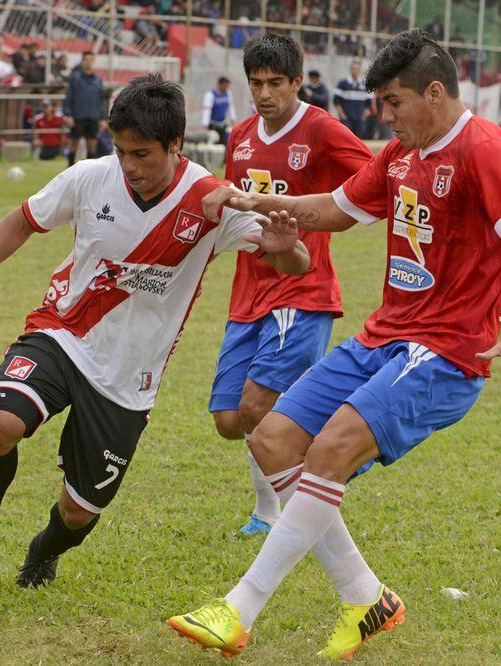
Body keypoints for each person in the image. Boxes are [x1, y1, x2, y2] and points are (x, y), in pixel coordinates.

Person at [169, 29, 501, 659]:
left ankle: (238, 609)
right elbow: (335, 209)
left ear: (435, 92)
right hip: (386, 335)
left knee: (331, 447)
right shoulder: (401, 154)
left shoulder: (485, 149)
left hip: (448, 353)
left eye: (394, 101)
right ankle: (367, 598)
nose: (385, 114)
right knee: (271, 438)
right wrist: (259, 204)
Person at [0, 73, 309, 589]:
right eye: (121, 151)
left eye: (142, 154)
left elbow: (294, 262)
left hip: (128, 376)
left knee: (77, 513)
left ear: (175, 144)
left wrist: (286, 243)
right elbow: (25, 219)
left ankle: (44, 552)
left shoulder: (209, 199)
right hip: (62, 332)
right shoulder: (91, 177)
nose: (129, 166)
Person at [210, 33, 373, 537]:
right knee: (230, 419)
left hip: (304, 288)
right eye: (256, 83)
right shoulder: (239, 136)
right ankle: (333, 430)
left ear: (297, 82)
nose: (265, 93)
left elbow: (373, 179)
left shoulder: (322, 129)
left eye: (276, 83)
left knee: (259, 406)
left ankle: (272, 516)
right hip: (248, 289)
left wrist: (311, 215)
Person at [62, 51, 105, 166]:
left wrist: (102, 118)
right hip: (78, 116)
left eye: (91, 60)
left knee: (91, 145)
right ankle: (69, 168)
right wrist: (68, 114)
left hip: (93, 116)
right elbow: (68, 98)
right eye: (86, 60)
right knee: (73, 144)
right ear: (82, 61)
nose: (89, 62)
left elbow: (101, 100)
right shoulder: (75, 78)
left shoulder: (98, 80)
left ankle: (89, 170)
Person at [333, 58, 371, 140]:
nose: (355, 71)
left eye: (357, 69)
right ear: (350, 69)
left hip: (359, 120)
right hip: (347, 120)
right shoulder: (342, 83)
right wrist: (343, 116)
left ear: (360, 70)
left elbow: (369, 104)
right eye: (354, 68)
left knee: (359, 141)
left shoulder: (365, 84)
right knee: (346, 141)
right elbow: (336, 102)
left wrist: (363, 117)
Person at [201, 76, 236, 145]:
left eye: (228, 86)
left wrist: (233, 118)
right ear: (220, 84)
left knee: (224, 144)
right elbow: (207, 110)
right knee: (213, 143)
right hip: (213, 125)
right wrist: (205, 124)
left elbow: (231, 106)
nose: (226, 88)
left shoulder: (228, 93)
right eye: (225, 85)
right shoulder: (210, 95)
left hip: (223, 124)